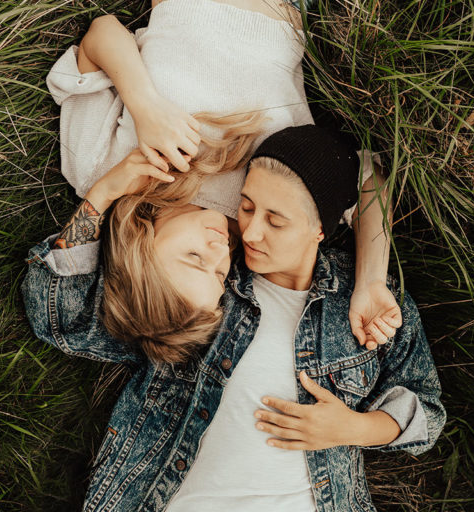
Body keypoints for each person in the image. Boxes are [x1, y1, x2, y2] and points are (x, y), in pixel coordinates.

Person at [21, 125, 446, 511]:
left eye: (275, 221)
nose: (250, 233)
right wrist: (102, 195)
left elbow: (426, 411)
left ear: (321, 229)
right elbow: (62, 319)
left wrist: (354, 429)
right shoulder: (204, 285)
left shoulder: (367, 300)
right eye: (245, 207)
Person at [43, 0, 391, 359]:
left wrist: (145, 106)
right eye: (219, 275)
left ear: (141, 248)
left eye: (194, 257)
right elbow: (369, 179)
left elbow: (102, 33)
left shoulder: (102, 172)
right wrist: (371, 282)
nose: (218, 249)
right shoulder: (257, 211)